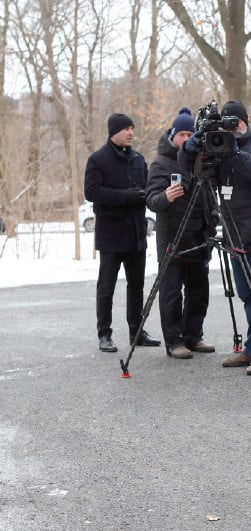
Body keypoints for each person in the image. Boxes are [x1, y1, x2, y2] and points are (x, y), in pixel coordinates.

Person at [178, 100, 251, 375]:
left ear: (246, 123)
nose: (232, 130)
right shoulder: (217, 148)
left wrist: (237, 155)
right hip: (235, 235)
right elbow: (190, 170)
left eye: (236, 124)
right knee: (247, 295)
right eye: (228, 124)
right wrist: (191, 148)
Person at [84, 112, 161, 352]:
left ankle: (136, 331)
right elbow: (92, 192)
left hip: (137, 233)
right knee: (106, 286)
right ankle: (104, 334)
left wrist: (149, 197)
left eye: (132, 128)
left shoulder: (138, 159)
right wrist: (126, 196)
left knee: (136, 285)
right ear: (113, 132)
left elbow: (147, 189)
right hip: (110, 234)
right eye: (126, 128)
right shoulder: (98, 159)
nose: (130, 133)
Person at [145, 108, 217, 359]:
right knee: (172, 293)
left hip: (198, 237)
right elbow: (151, 200)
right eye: (182, 134)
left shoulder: (200, 160)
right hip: (173, 238)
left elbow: (208, 195)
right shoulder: (160, 163)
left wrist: (213, 220)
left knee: (199, 292)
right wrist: (166, 196)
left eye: (190, 133)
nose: (186, 139)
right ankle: (174, 341)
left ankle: (193, 335)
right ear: (173, 136)